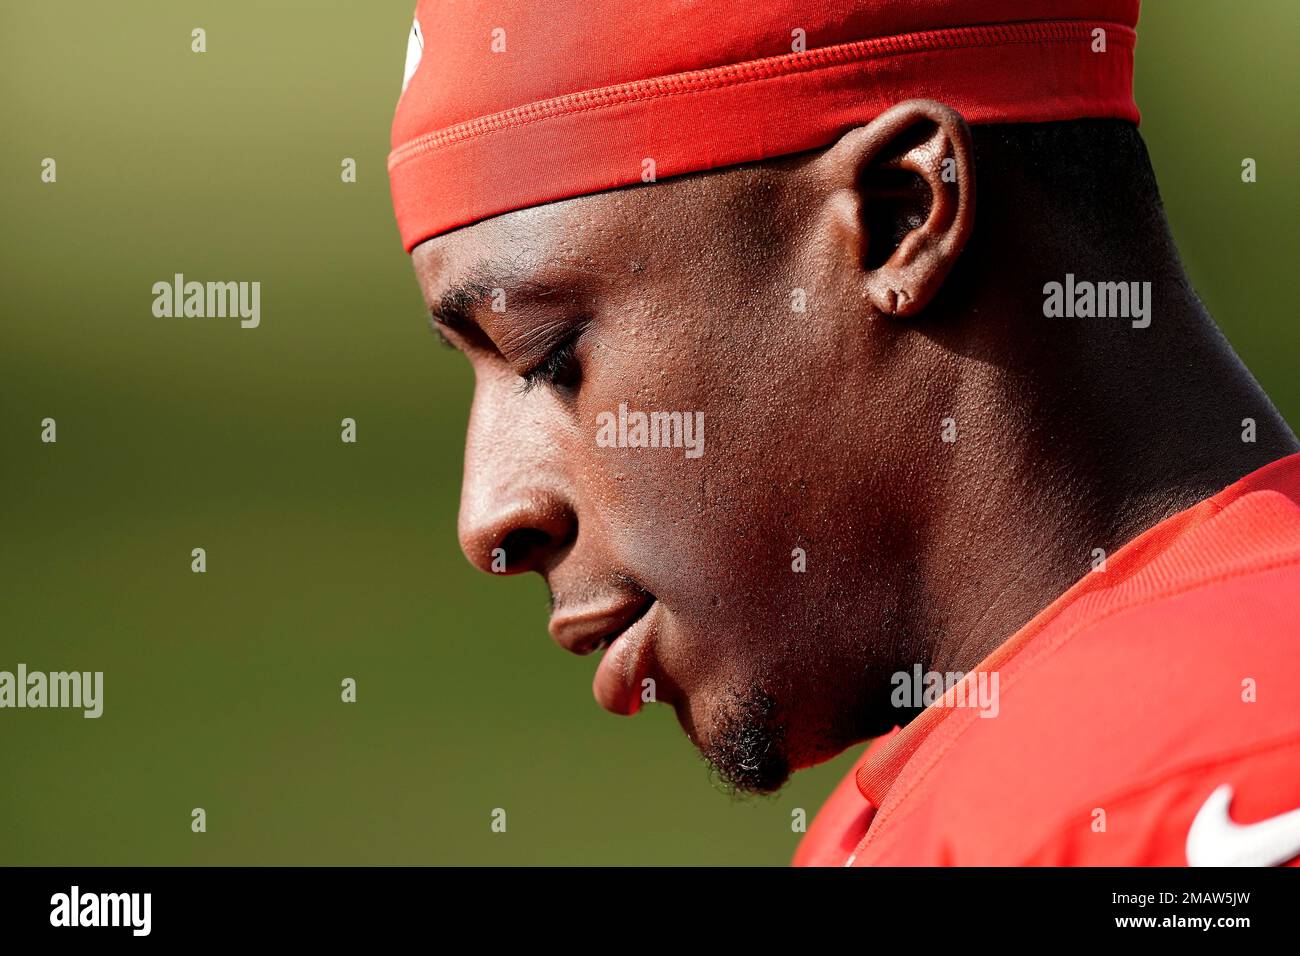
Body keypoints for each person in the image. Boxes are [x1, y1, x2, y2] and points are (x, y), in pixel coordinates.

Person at [387, 0, 1300, 865]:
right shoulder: (925, 802)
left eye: (545, 356)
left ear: (906, 215)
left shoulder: (1210, 795)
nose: (488, 515)